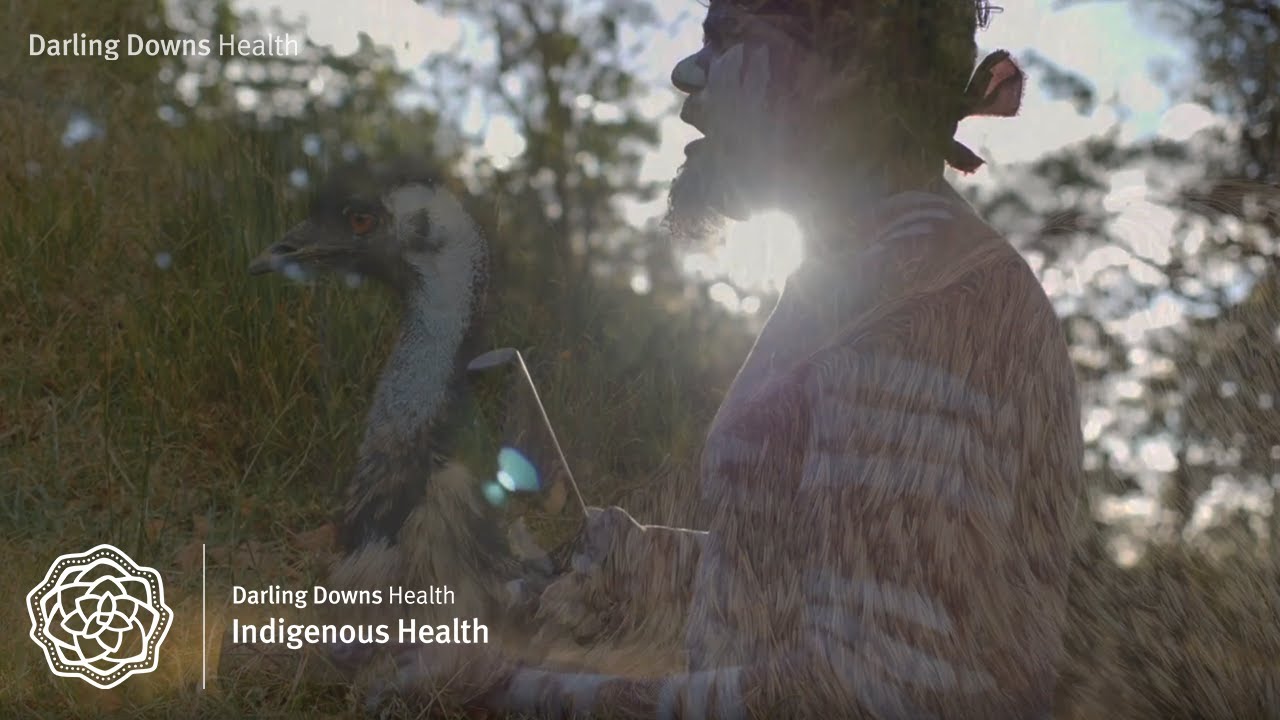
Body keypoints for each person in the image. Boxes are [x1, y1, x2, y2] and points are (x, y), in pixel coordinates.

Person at [384, 1, 1084, 717]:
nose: (687, 73)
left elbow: (872, 693)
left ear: (841, 68)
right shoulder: (878, 272)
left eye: (725, 42)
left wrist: (497, 691)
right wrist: (607, 557)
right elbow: (816, 571)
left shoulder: (926, 303)